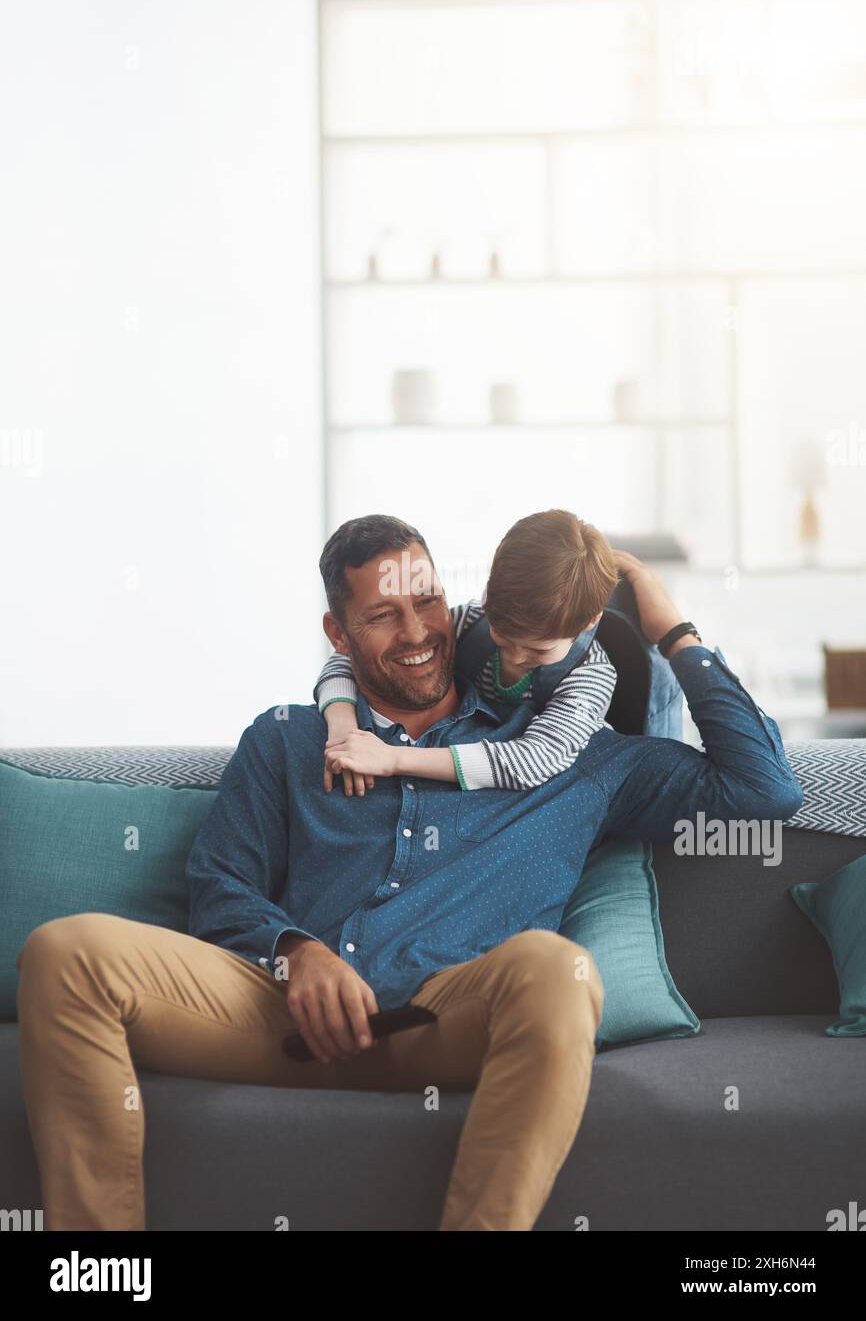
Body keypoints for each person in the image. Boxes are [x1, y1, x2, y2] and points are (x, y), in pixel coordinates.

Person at [15, 513, 803, 1232]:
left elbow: (765, 790)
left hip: (444, 1021)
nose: (419, 631)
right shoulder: (291, 738)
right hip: (276, 1015)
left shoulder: (585, 759)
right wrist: (295, 951)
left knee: (558, 971)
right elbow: (220, 889)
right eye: (383, 615)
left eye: (427, 602)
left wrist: (673, 629)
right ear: (338, 631)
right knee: (64, 953)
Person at [318, 509, 618, 794]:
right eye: (502, 636)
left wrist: (394, 758)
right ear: (487, 591)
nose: (515, 657)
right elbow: (349, 657)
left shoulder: (589, 675)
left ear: (589, 622)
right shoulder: (472, 621)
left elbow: (534, 760)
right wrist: (342, 725)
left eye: (537, 650)